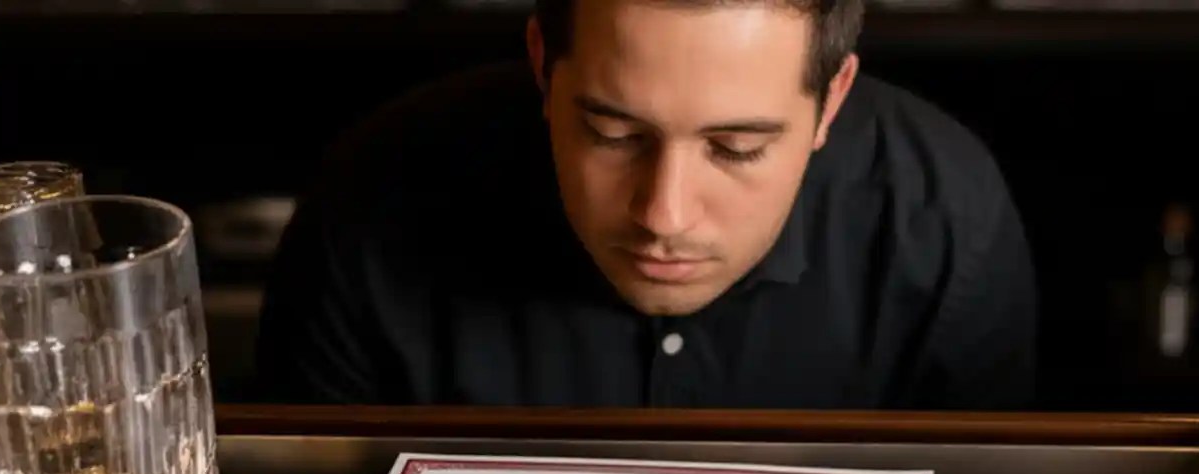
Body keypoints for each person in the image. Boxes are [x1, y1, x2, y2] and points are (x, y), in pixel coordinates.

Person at [256, 0, 1037, 410]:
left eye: (736, 149)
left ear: (831, 100)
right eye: (612, 131)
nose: (664, 216)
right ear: (541, 64)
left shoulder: (945, 218)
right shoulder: (372, 199)